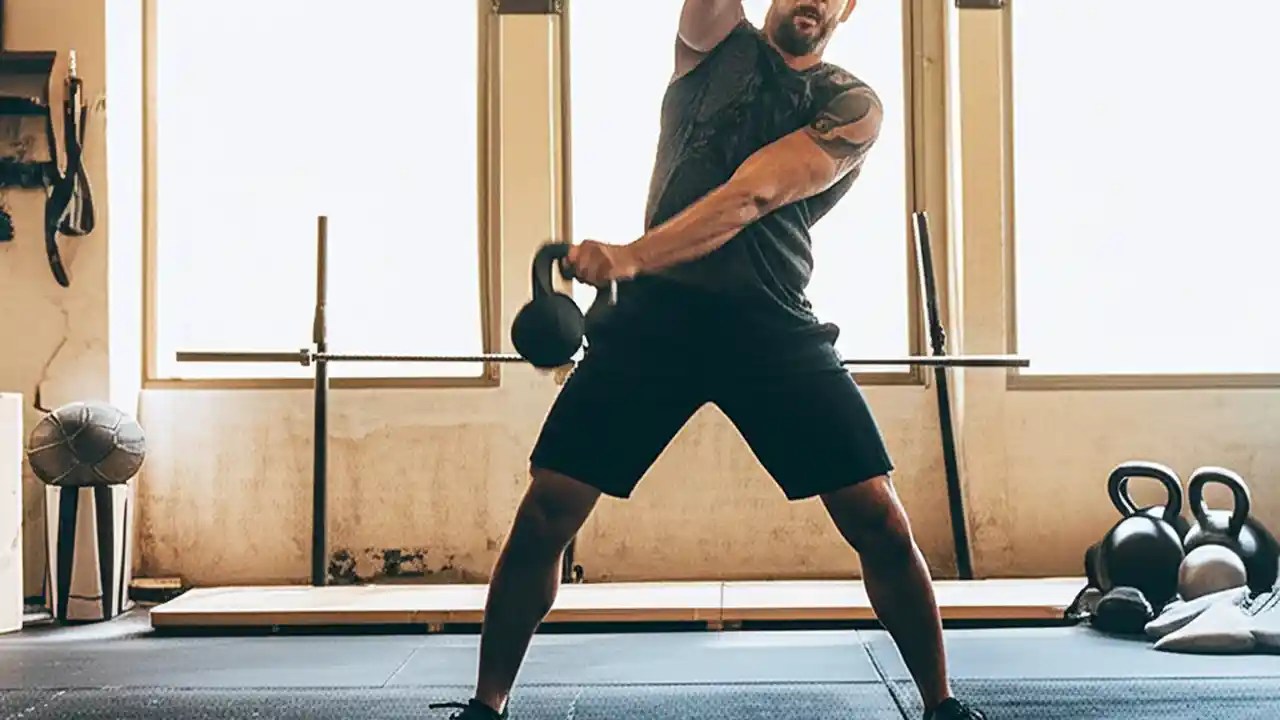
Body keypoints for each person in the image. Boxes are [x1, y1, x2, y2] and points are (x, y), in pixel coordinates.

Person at [431, 1, 986, 718]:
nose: (812, 0)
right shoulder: (713, 41)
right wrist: (638, 272)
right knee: (546, 513)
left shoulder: (851, 104)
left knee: (877, 518)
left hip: (769, 324)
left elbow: (751, 195)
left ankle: (941, 705)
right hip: (656, 321)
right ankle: (487, 705)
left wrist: (630, 256)